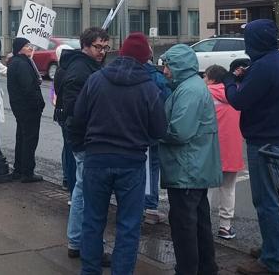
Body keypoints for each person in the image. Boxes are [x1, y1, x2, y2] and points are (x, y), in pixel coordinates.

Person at [72, 32, 167, 275]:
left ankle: (90, 271)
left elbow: (78, 118)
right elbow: (158, 129)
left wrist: (83, 146)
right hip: (131, 162)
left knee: (93, 221)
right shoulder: (148, 87)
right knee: (128, 226)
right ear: (145, 58)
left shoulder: (96, 79)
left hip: (96, 157)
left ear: (121, 53)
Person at [223, 19, 279, 275]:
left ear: (255, 41)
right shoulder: (276, 61)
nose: (245, 42)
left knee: (266, 201)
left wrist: (230, 79)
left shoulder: (266, 66)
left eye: (247, 38)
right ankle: (272, 249)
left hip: (266, 141)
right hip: (276, 137)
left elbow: (239, 100)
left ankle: (272, 261)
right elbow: (259, 89)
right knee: (269, 198)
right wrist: (247, 74)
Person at [159, 44, 221, 275]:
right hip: (196, 168)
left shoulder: (188, 91)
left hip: (186, 169)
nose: (165, 71)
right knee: (199, 224)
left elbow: (179, 132)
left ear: (179, 66)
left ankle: (187, 270)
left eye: (168, 66)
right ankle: (206, 268)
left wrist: (156, 130)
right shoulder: (192, 86)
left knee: (184, 228)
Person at [59, 27, 110, 262]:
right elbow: (74, 108)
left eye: (105, 47)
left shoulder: (84, 66)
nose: (102, 51)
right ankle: (83, 243)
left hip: (82, 137)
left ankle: (76, 240)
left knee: (82, 189)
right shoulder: (81, 70)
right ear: (86, 46)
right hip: (86, 138)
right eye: (98, 47)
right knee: (88, 193)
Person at [205, 65, 244, 240]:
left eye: (205, 76)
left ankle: (203, 225)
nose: (203, 79)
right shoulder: (236, 94)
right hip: (232, 149)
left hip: (210, 149)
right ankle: (225, 227)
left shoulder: (205, 93)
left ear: (212, 79)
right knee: (228, 189)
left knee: (205, 190)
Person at [6, 37, 45, 182]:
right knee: (29, 140)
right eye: (27, 45)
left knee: (21, 138)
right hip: (28, 108)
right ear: (20, 48)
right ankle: (27, 172)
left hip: (20, 107)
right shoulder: (21, 64)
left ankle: (19, 169)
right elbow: (28, 88)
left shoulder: (16, 62)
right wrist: (39, 104)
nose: (31, 48)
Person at [142, 58, 173, 222]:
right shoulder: (159, 78)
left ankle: (138, 205)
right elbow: (169, 103)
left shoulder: (128, 75)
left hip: (134, 132)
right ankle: (150, 207)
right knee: (153, 167)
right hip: (154, 131)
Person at [51, 44, 74, 192]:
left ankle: (67, 177)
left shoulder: (60, 70)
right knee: (70, 148)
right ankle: (68, 177)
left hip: (60, 112)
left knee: (67, 146)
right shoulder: (66, 71)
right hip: (66, 113)